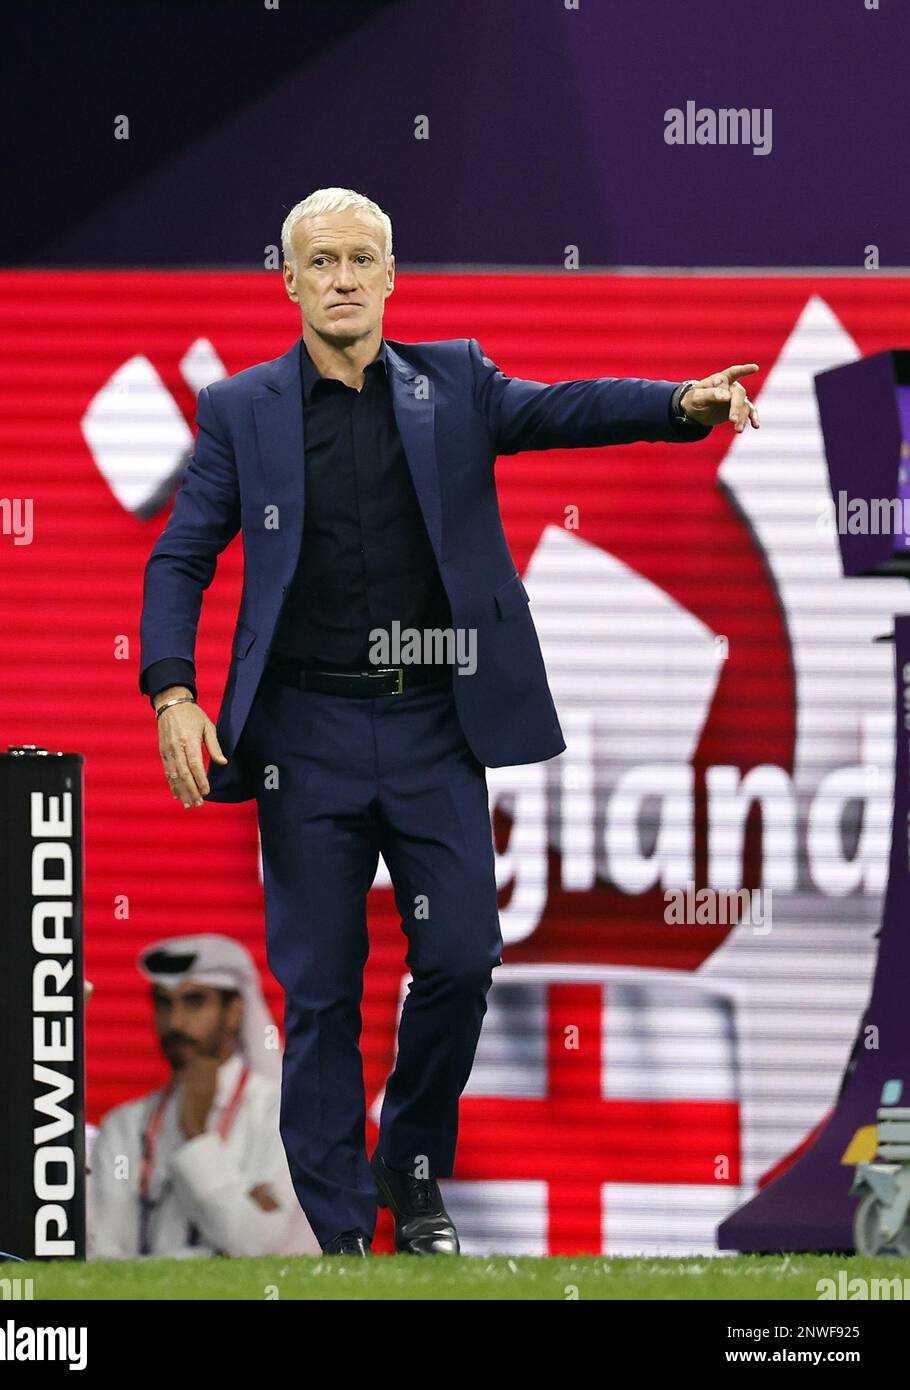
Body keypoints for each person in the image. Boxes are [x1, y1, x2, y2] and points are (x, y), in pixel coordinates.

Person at [138, 187, 761, 1256]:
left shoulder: (454, 383)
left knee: (463, 958)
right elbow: (181, 555)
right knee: (322, 991)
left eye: (360, 259)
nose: (341, 277)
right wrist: (173, 692)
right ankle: (342, 1239)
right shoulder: (240, 410)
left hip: (432, 724)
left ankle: (409, 1167)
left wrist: (677, 404)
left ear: (391, 277)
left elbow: (564, 408)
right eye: (319, 261)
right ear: (286, 282)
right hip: (302, 738)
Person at [86, 933, 318, 1259]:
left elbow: (262, 1250)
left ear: (235, 1011)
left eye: (194, 1002)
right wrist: (211, 1251)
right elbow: (99, 1257)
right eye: (163, 1003)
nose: (175, 1022)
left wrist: (196, 1137)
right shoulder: (125, 1124)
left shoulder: (285, 1116)